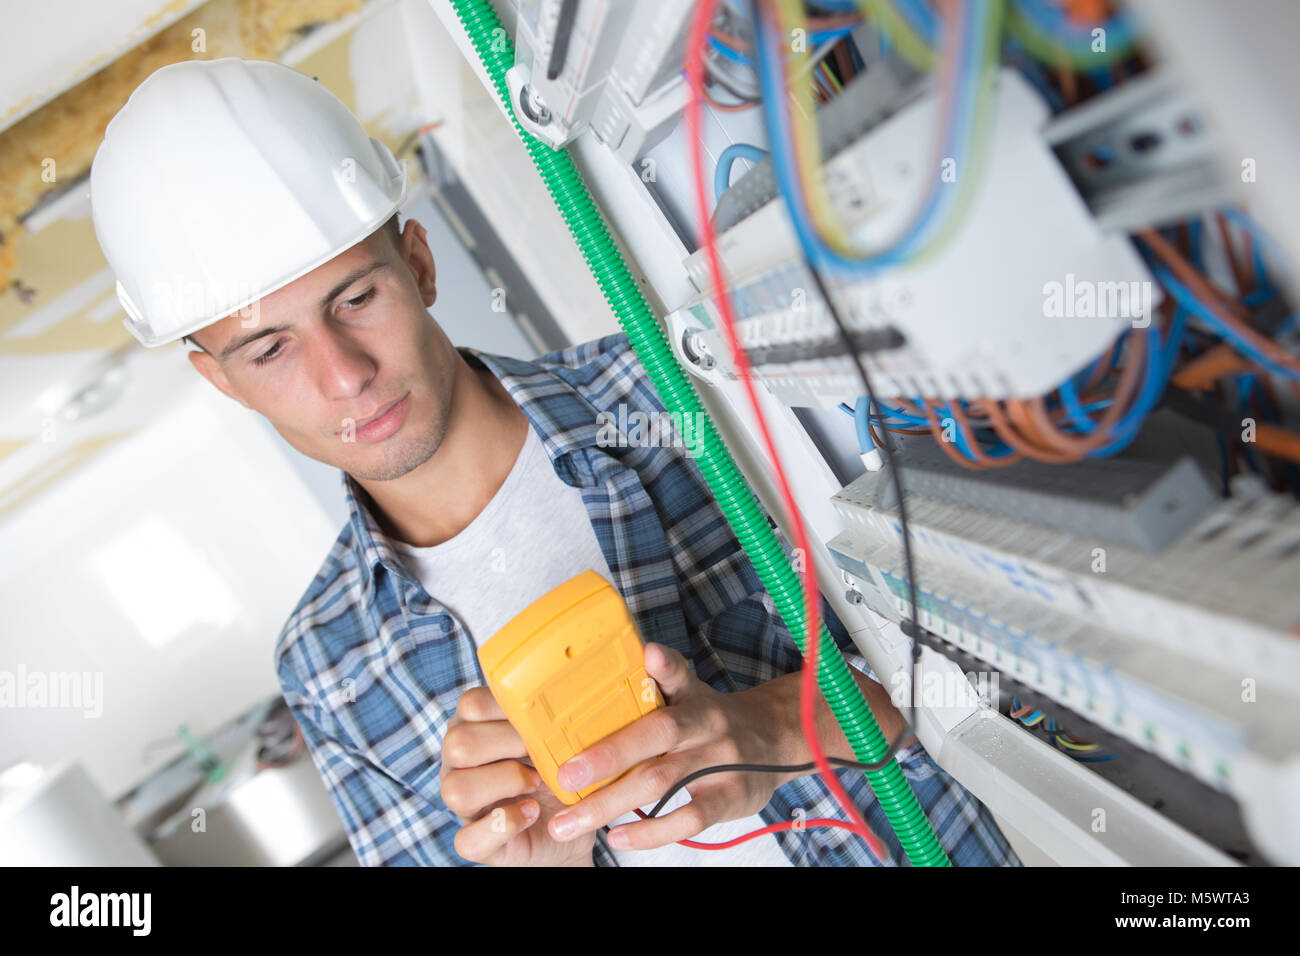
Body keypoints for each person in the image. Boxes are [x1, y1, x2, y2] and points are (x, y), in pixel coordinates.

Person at [90, 57, 1019, 867]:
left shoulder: (673, 387)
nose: (345, 376)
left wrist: (770, 724)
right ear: (222, 383)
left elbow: (1000, 645)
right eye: (269, 351)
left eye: (356, 296)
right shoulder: (329, 660)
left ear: (418, 264)